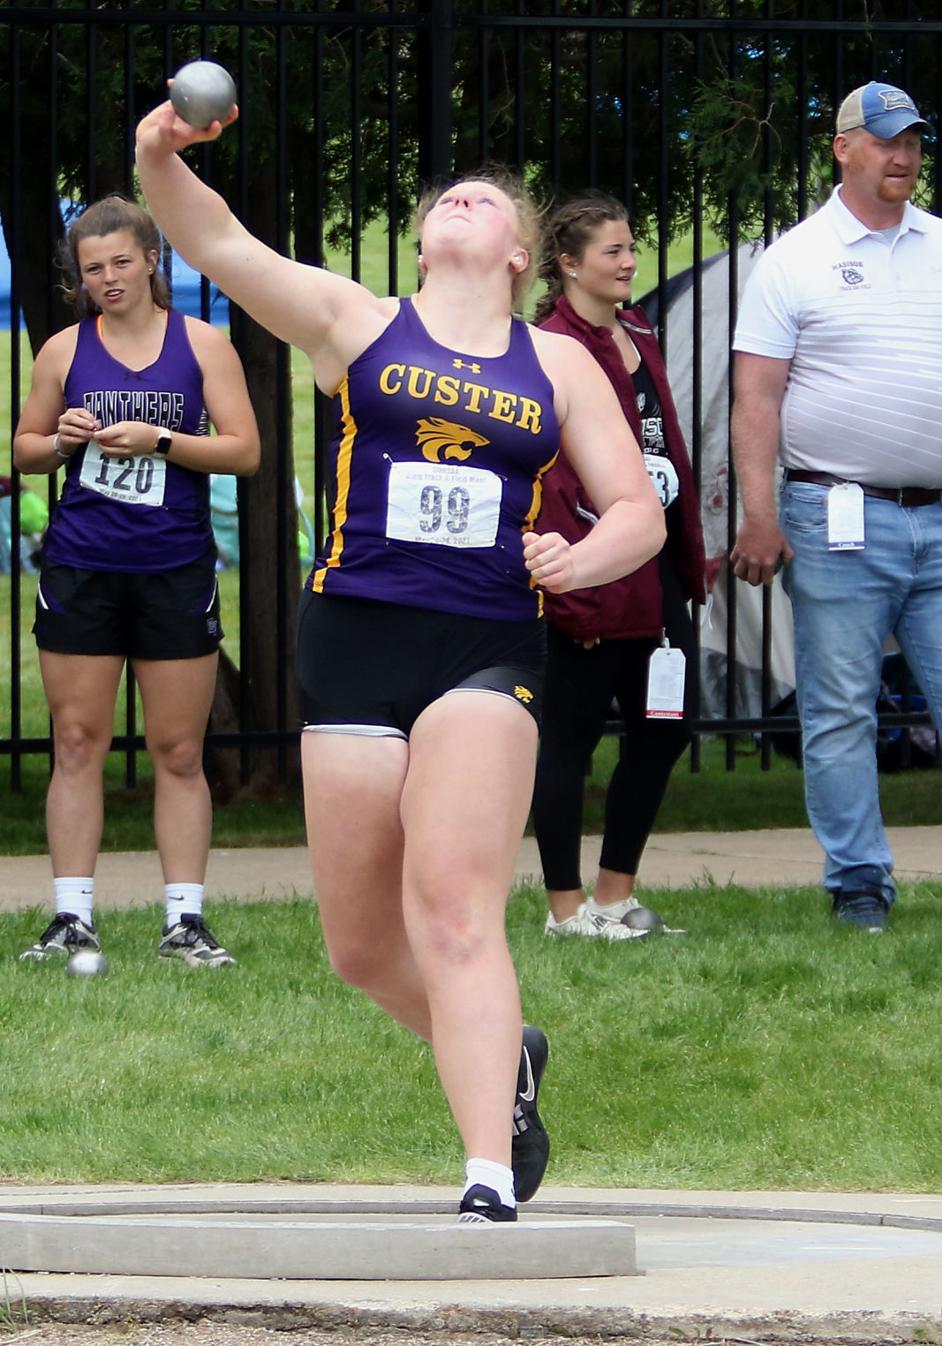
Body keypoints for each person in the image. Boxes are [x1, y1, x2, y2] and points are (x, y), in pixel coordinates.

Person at [134, 98, 664, 1222]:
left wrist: (577, 559)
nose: (463, 199)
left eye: (488, 198)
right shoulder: (355, 322)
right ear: (424, 242)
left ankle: (485, 1176)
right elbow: (215, 239)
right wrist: (154, 156)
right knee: (363, 945)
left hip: (484, 645)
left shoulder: (559, 365)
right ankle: (505, 1055)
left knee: (456, 904)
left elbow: (638, 511)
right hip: (356, 637)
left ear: (520, 254)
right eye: (446, 199)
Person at [729, 81, 942, 937]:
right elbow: (755, 397)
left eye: (914, 140)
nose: (903, 155)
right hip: (832, 514)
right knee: (841, 706)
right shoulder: (794, 259)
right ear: (841, 148)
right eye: (885, 140)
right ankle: (858, 883)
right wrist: (759, 515)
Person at [13, 194, 260, 967]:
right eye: (92, 269)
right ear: (77, 278)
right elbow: (23, 448)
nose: (109, 279)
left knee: (178, 750)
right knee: (77, 742)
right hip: (83, 565)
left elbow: (244, 450)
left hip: (172, 567)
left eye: (122, 262)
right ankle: (70, 918)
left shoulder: (200, 344)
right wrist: (60, 440)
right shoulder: (62, 351)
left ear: (153, 259)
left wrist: (159, 437)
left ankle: (184, 922)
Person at [532, 195, 706, 940]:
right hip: (588, 570)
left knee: (665, 725)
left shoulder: (638, 331)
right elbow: (552, 472)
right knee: (568, 737)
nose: (629, 261)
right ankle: (565, 909)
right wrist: (572, 575)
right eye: (612, 251)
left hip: (654, 563)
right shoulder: (549, 345)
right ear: (568, 263)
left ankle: (615, 896)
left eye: (631, 247)